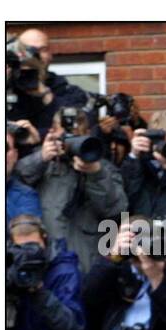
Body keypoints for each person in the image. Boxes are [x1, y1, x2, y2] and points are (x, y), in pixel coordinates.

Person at [13, 111, 129, 273]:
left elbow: (115, 209)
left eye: (77, 136)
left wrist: (95, 173)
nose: (72, 142)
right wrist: (40, 157)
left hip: (86, 260)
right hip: (48, 261)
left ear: (88, 135)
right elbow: (14, 181)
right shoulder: (46, 163)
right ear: (52, 133)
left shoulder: (103, 168)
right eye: (66, 136)